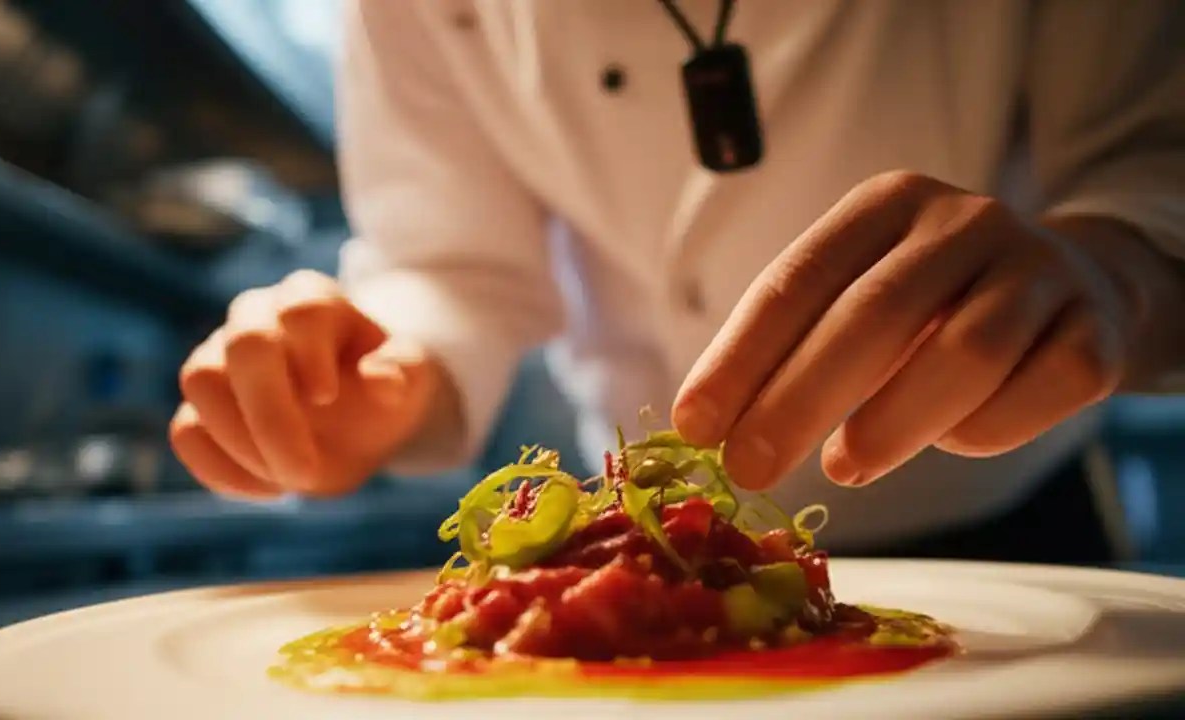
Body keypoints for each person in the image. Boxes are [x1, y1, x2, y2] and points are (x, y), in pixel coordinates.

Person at [169, 1, 1185, 564]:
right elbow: (451, 266)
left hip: (1015, 535)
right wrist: (382, 365)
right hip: (637, 559)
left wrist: (1113, 271)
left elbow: (1152, 161)